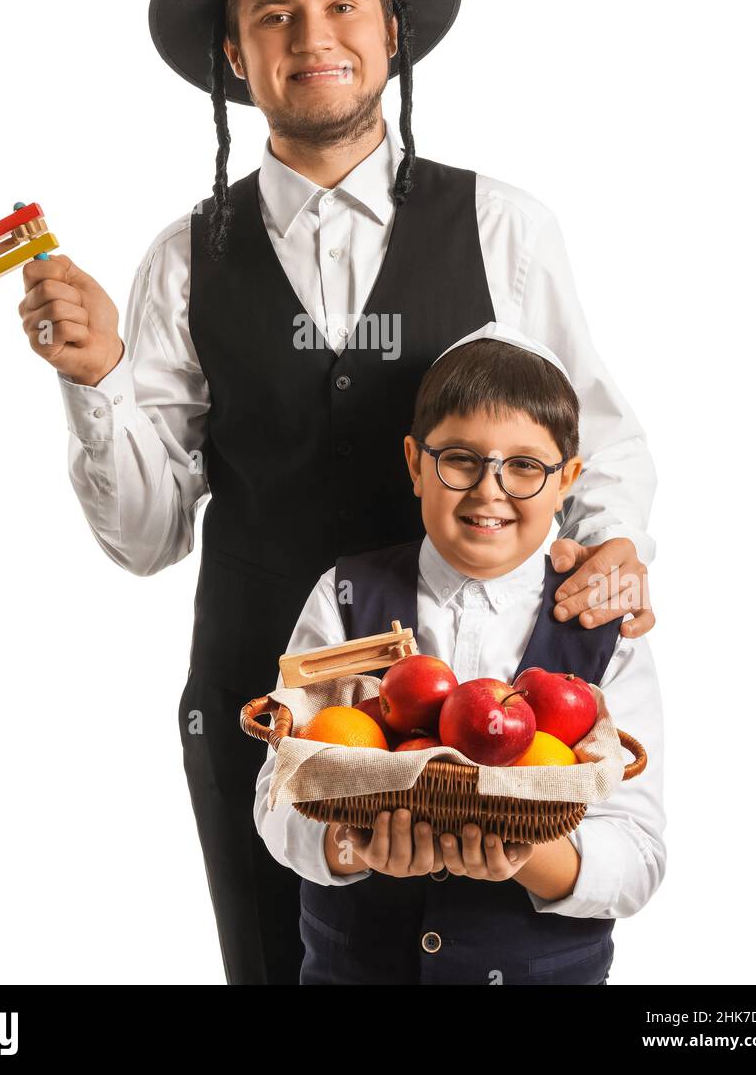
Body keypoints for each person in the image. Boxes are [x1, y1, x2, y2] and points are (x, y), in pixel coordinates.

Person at [18, 0, 657, 986]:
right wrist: (99, 382)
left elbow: (597, 444)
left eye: (342, 5)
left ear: (391, 33)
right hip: (266, 705)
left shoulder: (502, 224)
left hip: (487, 704)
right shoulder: (186, 258)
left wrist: (611, 557)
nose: (313, 39)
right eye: (274, 17)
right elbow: (146, 536)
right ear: (234, 55)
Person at [254, 324, 666, 985]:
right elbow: (276, 800)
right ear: (416, 465)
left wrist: (531, 851)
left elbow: (639, 853)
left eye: (525, 466)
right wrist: (350, 844)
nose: (489, 490)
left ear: (569, 480)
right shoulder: (345, 595)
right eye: (461, 460)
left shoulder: (600, 623)